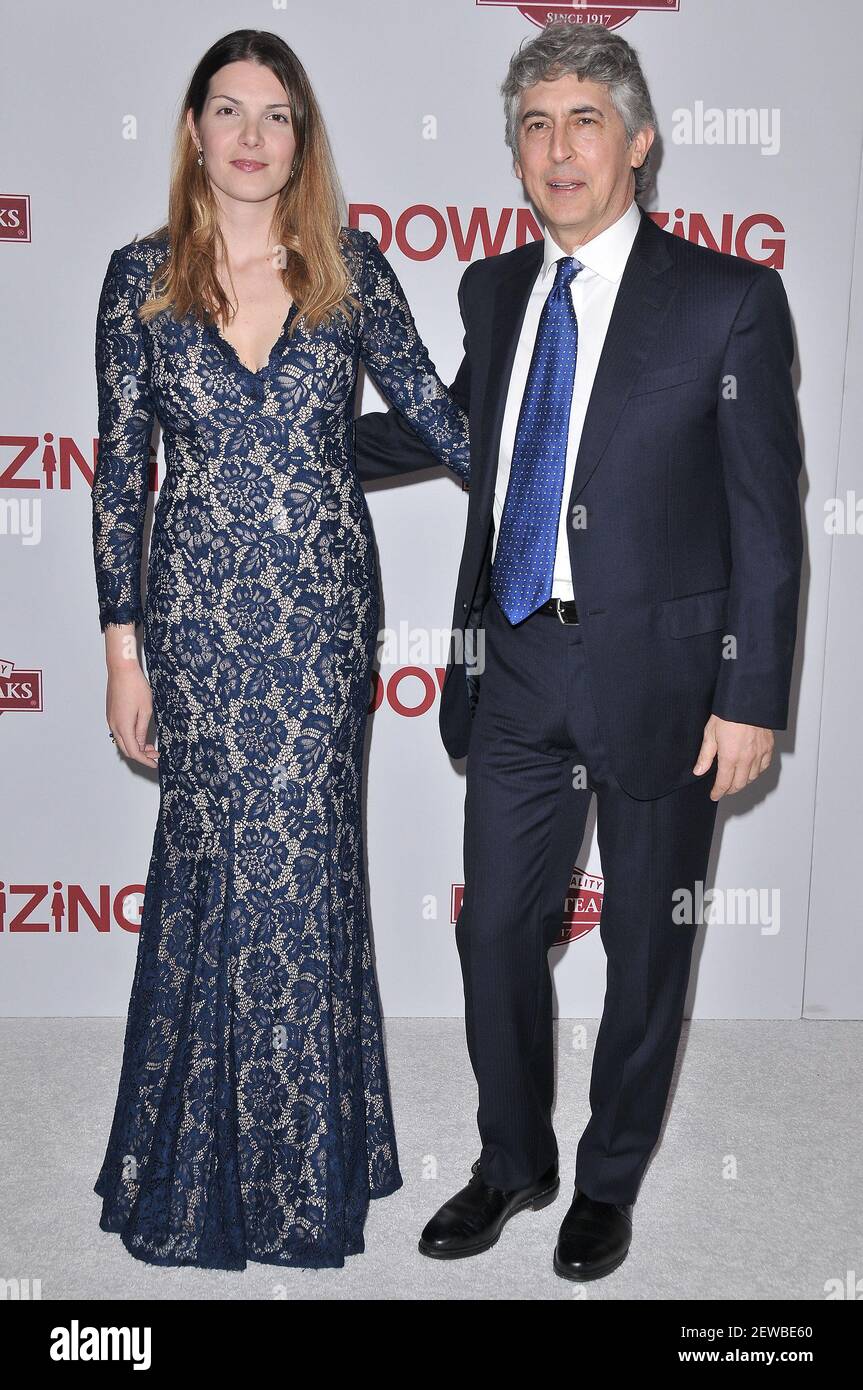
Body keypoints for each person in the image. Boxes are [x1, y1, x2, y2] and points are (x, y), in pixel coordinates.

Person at [355, 20, 803, 1280]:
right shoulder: (494, 289)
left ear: (637, 143)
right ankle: (514, 1160)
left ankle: (604, 1183)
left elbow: (769, 523)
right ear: (514, 152)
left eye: (583, 121)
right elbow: (460, 430)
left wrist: (751, 691)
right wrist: (288, 442)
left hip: (667, 679)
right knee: (494, 929)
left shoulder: (726, 301)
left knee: (643, 946)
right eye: (535, 126)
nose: (558, 149)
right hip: (512, 664)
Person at [91, 28, 468, 1271]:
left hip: (316, 625)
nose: (252, 137)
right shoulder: (135, 279)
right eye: (228, 110)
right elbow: (114, 482)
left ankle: (305, 1183)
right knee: (212, 870)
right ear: (194, 129)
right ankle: (194, 1172)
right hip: (192, 624)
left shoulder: (347, 271)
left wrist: (584, 449)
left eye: (277, 115)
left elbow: (441, 417)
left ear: (301, 138)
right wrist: (121, 652)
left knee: (302, 876)